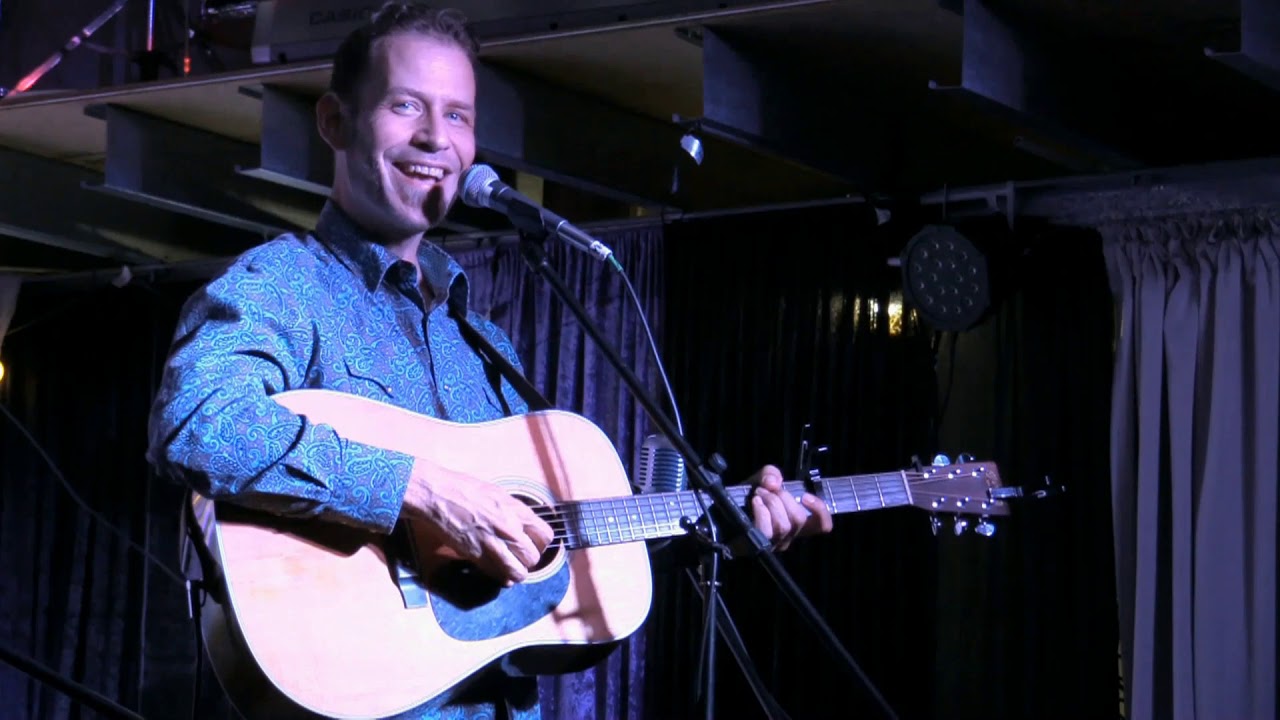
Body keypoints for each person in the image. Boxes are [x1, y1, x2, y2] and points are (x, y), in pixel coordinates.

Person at [146, 3, 833, 719]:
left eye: (458, 116)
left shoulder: (482, 344)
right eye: (405, 105)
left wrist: (718, 526)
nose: (434, 138)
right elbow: (199, 424)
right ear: (333, 122)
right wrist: (420, 490)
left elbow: (542, 553)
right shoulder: (279, 287)